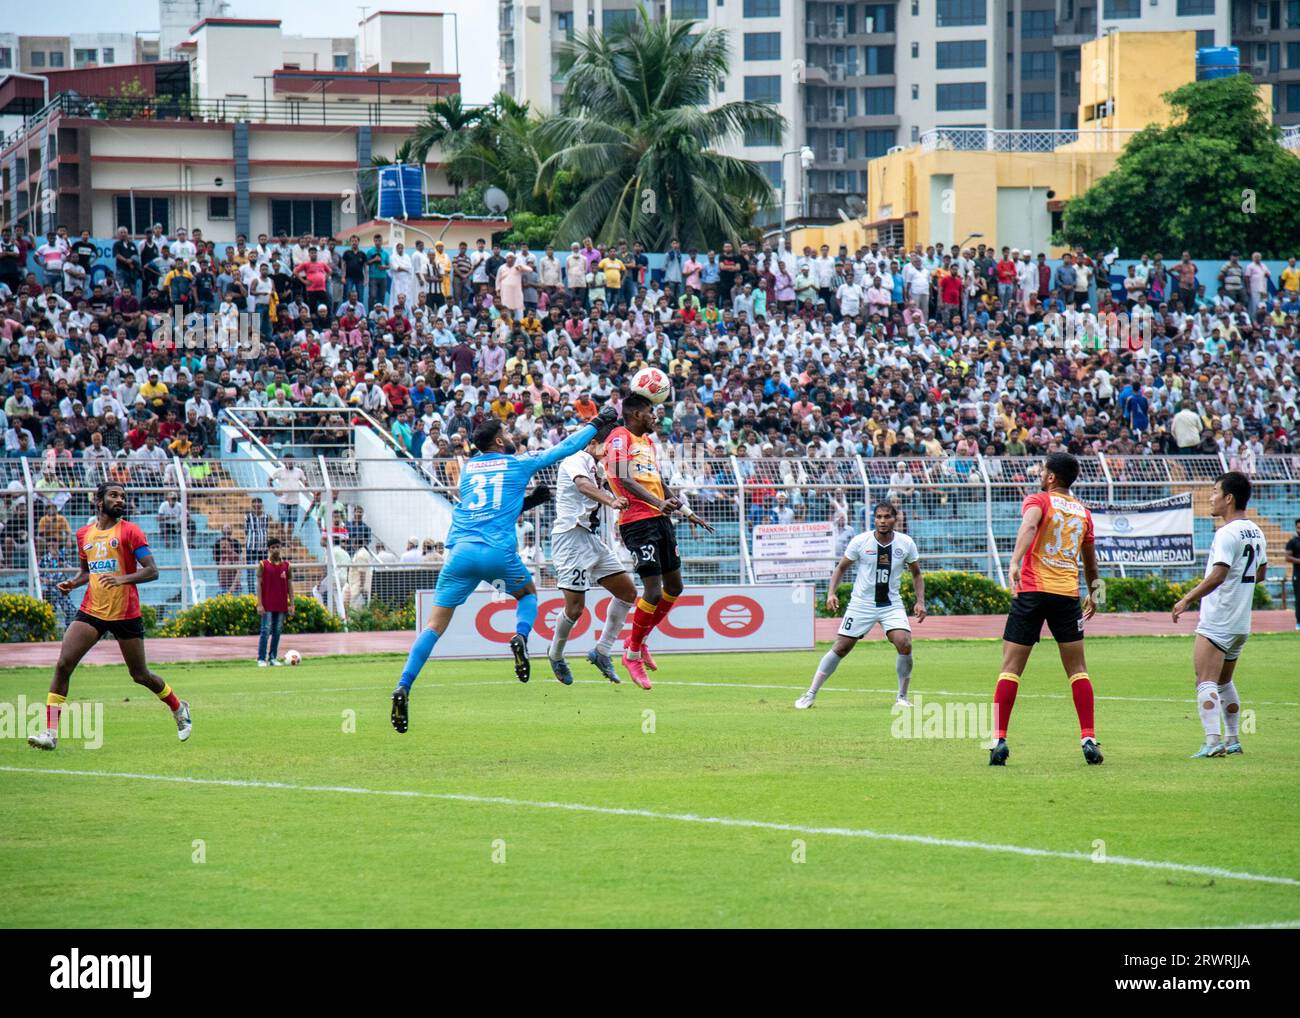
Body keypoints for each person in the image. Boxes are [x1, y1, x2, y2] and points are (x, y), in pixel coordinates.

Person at [390, 404, 619, 733]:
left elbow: (486, 505)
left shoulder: (468, 470)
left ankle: (404, 685)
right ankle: (520, 638)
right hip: (497, 552)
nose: (510, 438)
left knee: (433, 627)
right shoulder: (518, 463)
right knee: (527, 595)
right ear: (499, 442)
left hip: (460, 554)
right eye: (506, 435)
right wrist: (596, 423)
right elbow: (564, 448)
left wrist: (526, 502)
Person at [27, 482, 191, 751]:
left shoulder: (130, 531)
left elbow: (152, 571)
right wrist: (73, 583)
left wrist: (122, 579)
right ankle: (50, 733)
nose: (120, 500)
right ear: (99, 501)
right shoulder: (83, 534)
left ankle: (178, 706)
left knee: (139, 675)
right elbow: (87, 571)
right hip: (92, 610)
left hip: (126, 613)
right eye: (114, 495)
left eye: (123, 496)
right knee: (63, 664)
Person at [988, 452, 1102, 766]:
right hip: (1067, 595)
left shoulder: (1039, 500)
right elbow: (1091, 560)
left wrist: (1013, 561)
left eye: (1043, 470)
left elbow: (1028, 527)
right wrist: (1095, 593)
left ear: (1051, 476)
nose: (1040, 474)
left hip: (1033, 591)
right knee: (1078, 669)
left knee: (1010, 667)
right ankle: (1088, 737)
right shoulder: (1083, 512)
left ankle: (999, 739)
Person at [604, 393, 714, 689]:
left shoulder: (648, 443)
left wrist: (686, 511)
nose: (656, 417)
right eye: (652, 412)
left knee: (675, 586)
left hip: (660, 519)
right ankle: (631, 653)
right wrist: (656, 502)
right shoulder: (618, 437)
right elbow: (624, 479)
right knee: (652, 590)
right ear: (637, 414)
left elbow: (658, 481)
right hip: (638, 522)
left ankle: (637, 640)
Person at [1172, 472, 1267, 758]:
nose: (1210, 497)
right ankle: (1234, 739)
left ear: (1229, 498)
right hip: (1240, 622)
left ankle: (1213, 742)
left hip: (1219, 619)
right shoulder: (1257, 531)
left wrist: (1187, 598)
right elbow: (1260, 572)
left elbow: (1218, 575)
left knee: (1205, 680)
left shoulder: (1226, 533)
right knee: (1224, 681)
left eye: (1214, 491)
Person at [796, 502, 926, 710]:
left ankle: (902, 697)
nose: (882, 521)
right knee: (841, 647)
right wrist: (831, 593)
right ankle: (810, 693)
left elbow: (916, 573)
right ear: (874, 519)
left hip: (891, 604)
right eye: (879, 517)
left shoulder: (906, 543)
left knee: (905, 643)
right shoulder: (860, 541)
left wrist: (920, 601)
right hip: (861, 604)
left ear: (895, 519)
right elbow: (841, 568)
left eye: (887, 517)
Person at [546, 424, 638, 685]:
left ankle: (602, 651)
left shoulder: (602, 464)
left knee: (628, 593)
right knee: (575, 609)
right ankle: (555, 654)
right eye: (608, 444)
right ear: (594, 442)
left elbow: (626, 479)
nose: (611, 449)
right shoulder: (577, 459)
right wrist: (611, 500)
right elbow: (583, 486)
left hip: (590, 539)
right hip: (569, 538)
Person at [256, 536, 295, 667]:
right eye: (273, 548)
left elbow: (290, 585)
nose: (275, 550)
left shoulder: (287, 566)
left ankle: (272, 657)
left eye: (277, 547)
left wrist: (292, 604)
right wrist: (259, 604)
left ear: (281, 548)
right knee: (265, 631)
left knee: (277, 631)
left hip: (281, 604)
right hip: (267, 604)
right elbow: (259, 585)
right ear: (269, 549)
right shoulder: (263, 565)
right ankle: (261, 658)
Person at [1286, 518, 1300, 632]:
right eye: (1298, 527)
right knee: (1299, 598)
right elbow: (1288, 557)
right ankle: (1299, 622)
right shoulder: (1293, 542)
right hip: (1298, 575)